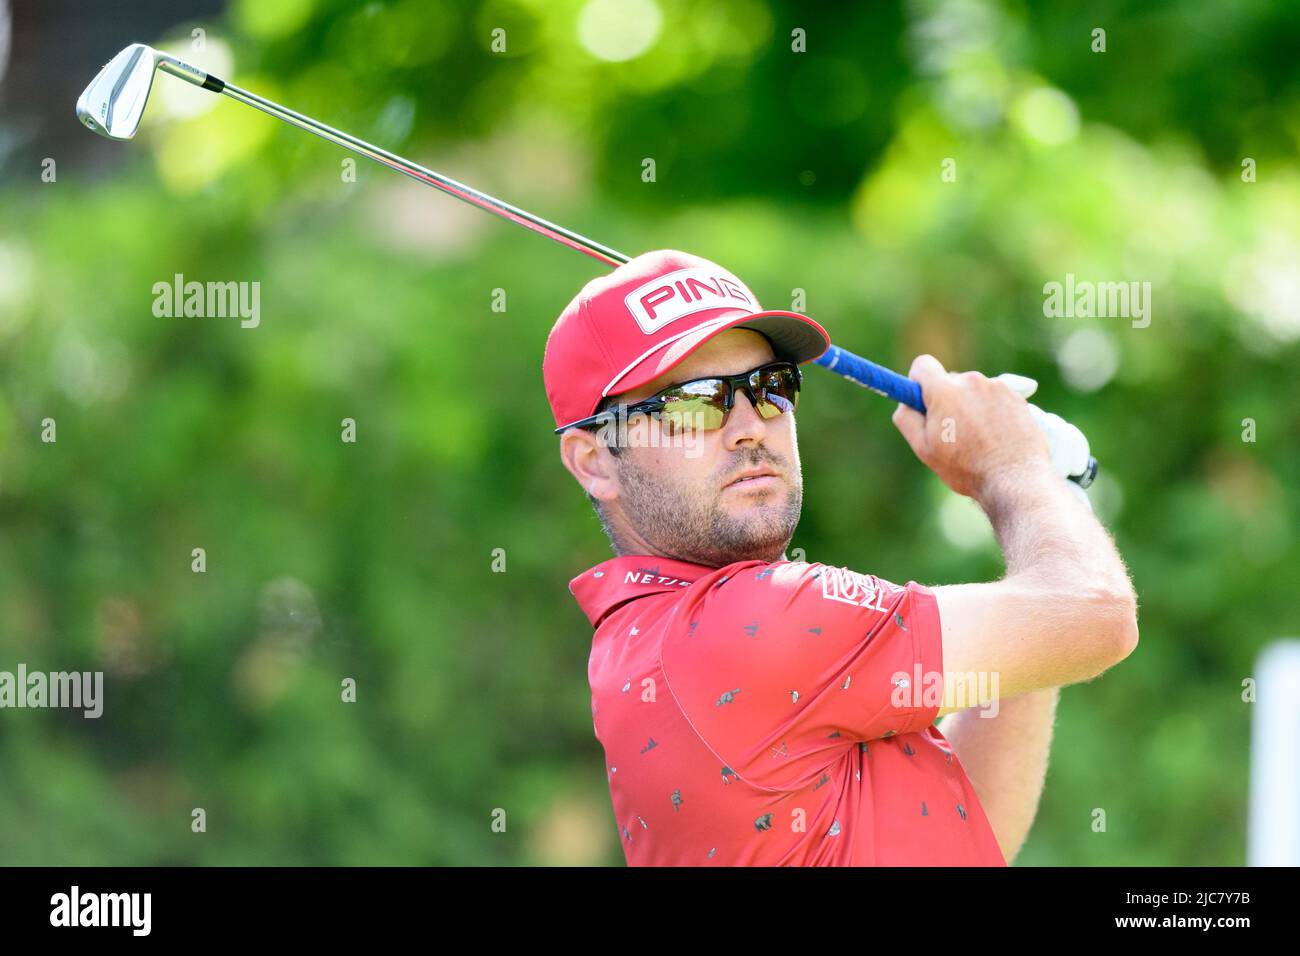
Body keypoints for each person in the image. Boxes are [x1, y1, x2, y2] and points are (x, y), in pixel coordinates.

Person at [542, 249, 1139, 866]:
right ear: (595, 460)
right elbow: (1098, 616)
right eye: (693, 402)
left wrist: (1048, 491)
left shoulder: (645, 639)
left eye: (770, 387)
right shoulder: (744, 622)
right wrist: (1011, 468)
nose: (750, 426)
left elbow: (957, 834)